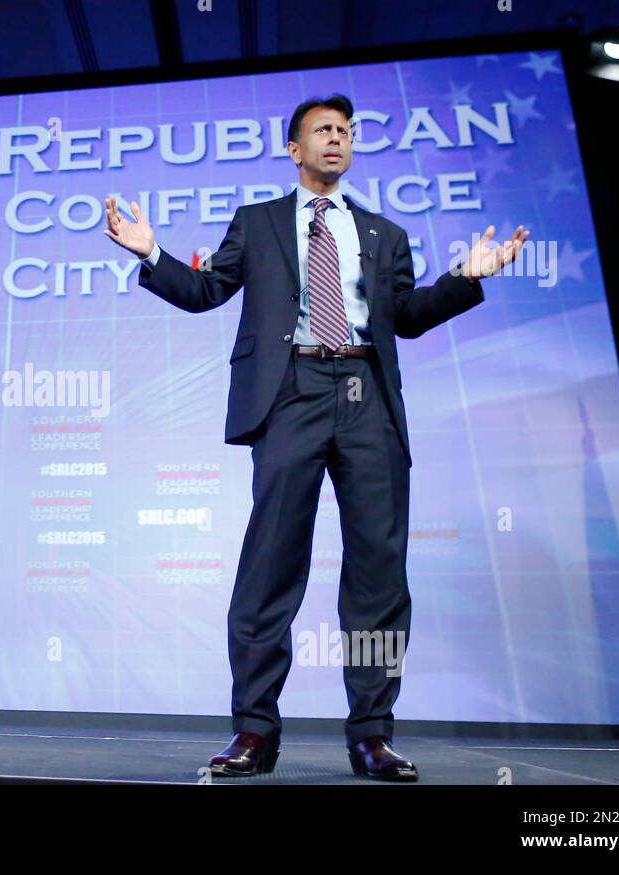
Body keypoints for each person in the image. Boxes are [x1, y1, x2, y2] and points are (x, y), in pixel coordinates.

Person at [102, 94, 528, 780]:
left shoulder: (385, 234)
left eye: (344, 131)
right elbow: (207, 291)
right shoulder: (259, 222)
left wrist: (465, 278)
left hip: (368, 400)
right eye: (322, 131)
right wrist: (150, 251)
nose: (336, 139)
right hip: (290, 393)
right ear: (295, 150)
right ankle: (254, 730)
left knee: (379, 574)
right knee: (270, 566)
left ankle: (372, 734)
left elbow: (409, 316)